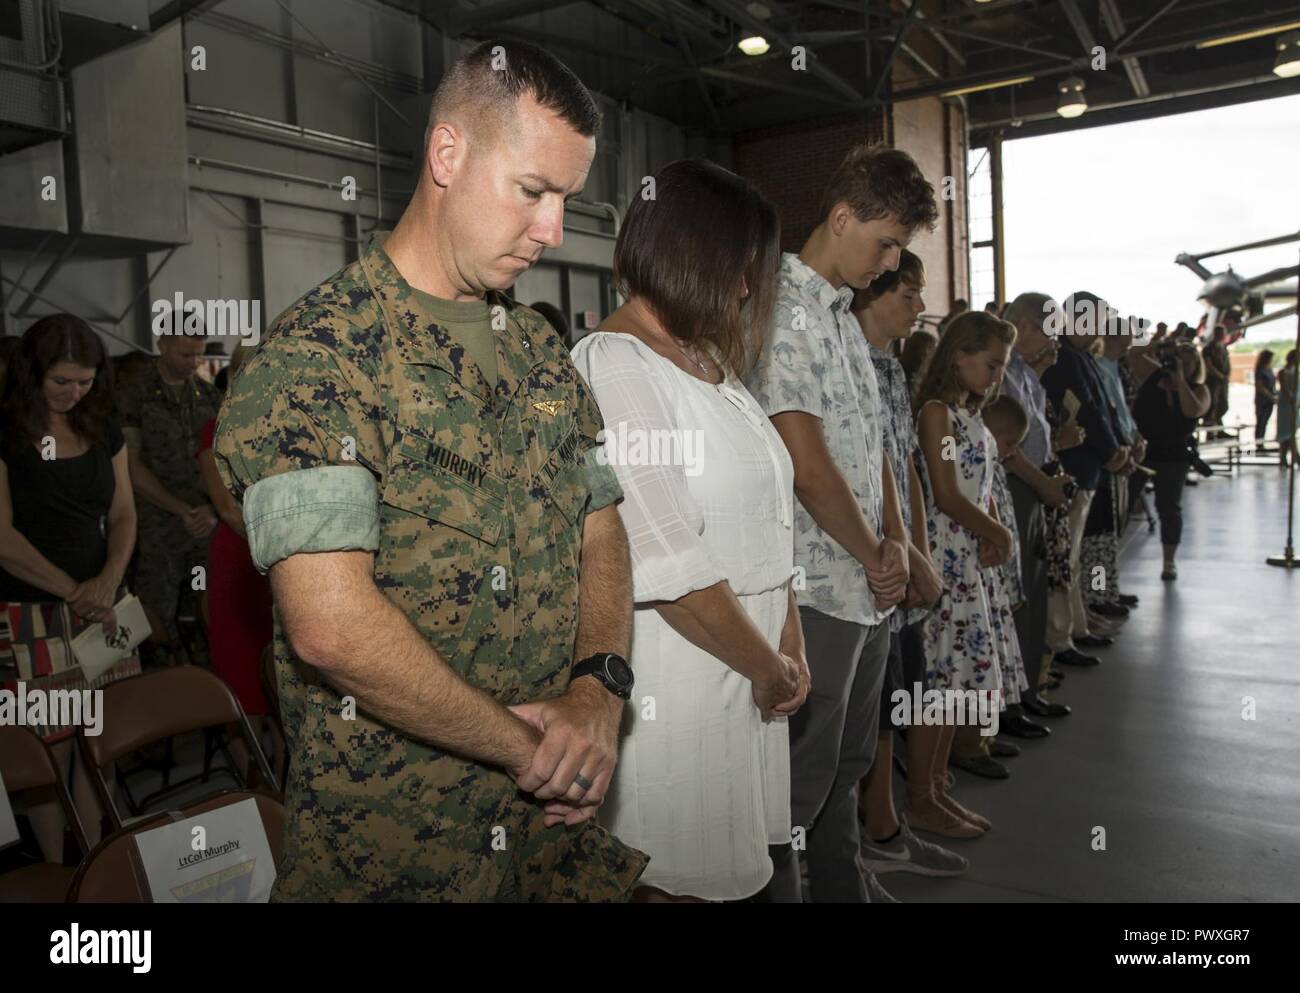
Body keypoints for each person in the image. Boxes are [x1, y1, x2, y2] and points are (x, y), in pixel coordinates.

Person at [215, 39, 648, 901]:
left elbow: (600, 532)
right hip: (399, 855)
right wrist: (537, 752)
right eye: (533, 192)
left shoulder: (538, 353)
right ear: (447, 154)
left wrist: (599, 689)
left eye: (566, 199)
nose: (554, 231)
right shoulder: (320, 359)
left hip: (546, 850)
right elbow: (330, 626)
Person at [569, 159, 807, 902]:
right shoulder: (614, 365)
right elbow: (666, 557)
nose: (744, 290)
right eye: (740, 269)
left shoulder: (709, 364)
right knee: (683, 881)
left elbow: (770, 522)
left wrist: (788, 645)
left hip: (747, 668)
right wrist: (768, 665)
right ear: (694, 255)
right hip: (685, 678)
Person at [745, 141, 938, 902]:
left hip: (863, 582)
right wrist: (874, 551)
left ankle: (842, 882)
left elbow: (876, 450)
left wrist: (896, 542)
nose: (891, 264)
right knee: (799, 779)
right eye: (885, 241)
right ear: (841, 215)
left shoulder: (845, 320)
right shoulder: (785, 310)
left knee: (850, 760)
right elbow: (805, 454)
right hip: (817, 587)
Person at [0, 314, 139, 855]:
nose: (73, 392)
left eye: (84, 381)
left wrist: (107, 581)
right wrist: (75, 591)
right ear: (33, 372)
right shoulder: (8, 432)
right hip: (32, 612)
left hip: (105, 608)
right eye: (62, 381)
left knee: (100, 744)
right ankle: (57, 872)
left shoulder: (101, 425)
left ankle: (99, 860)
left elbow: (125, 512)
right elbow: (3, 537)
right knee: (48, 752)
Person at [851, 251, 967, 877]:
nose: (920, 309)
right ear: (872, 295)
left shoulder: (892, 370)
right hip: (867, 560)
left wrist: (920, 551)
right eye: (909, 296)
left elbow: (906, 471)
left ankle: (886, 817)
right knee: (871, 706)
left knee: (900, 693)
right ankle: (871, 828)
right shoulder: (847, 363)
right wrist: (902, 554)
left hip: (900, 554)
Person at [912, 312, 1017, 832]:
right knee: (942, 680)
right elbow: (948, 493)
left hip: (968, 558)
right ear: (959, 355)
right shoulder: (937, 414)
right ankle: (921, 796)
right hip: (946, 555)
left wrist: (994, 524)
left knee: (958, 680)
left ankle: (935, 784)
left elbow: (983, 487)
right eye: (991, 363)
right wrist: (997, 533)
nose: (997, 375)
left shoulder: (967, 414)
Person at [116, 323, 220, 664]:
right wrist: (181, 509)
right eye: (184, 353)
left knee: (205, 608)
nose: (192, 362)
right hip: (155, 525)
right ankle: (160, 686)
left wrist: (210, 509)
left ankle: (208, 691)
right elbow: (132, 467)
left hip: (203, 526)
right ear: (162, 345)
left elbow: (223, 462)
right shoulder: (133, 394)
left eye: (198, 354)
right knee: (154, 615)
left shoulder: (209, 397)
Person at [1040, 292, 1130, 670]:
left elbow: (1109, 409)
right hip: (1078, 465)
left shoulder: (1087, 359)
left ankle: (1081, 619)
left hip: (1095, 465)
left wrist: (1122, 446)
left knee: (1085, 548)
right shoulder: (1066, 358)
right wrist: (1112, 450)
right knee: (1072, 552)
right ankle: (1065, 631)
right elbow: (1089, 412)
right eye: (1097, 320)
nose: (1103, 328)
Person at [196, 345, 274, 777]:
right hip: (239, 561)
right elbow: (226, 508)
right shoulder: (214, 429)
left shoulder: (285, 426)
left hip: (277, 562)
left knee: (285, 677)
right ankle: (246, 790)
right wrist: (278, 544)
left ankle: (282, 791)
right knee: (241, 676)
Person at [997, 292, 1074, 716]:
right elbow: (1007, 444)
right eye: (1047, 329)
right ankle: (1012, 700)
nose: (1051, 340)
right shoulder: (1003, 372)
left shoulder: (1026, 370)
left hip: (1036, 484)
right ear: (1025, 325)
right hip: (1016, 486)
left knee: (1036, 589)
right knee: (1018, 591)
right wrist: (1043, 482)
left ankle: (1029, 686)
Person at [1083, 327, 1147, 619]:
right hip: (1107, 458)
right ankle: (1097, 593)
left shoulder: (1113, 368)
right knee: (1098, 534)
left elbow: (1121, 412)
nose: (1129, 345)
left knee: (1111, 532)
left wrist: (1135, 437)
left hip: (1121, 451)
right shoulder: (1096, 367)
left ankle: (1107, 587)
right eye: (1125, 339)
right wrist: (1117, 448)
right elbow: (1102, 415)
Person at [1133, 343, 1210, 580]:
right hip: (1141, 452)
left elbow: (1191, 411)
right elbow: (1132, 354)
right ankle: (1103, 578)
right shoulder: (1153, 375)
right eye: (1179, 360)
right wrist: (1160, 345)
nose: (1183, 365)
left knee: (1168, 508)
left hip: (1174, 456)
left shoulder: (1199, 389)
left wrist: (1180, 380)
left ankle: (1169, 562)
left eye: (1189, 362)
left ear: (1196, 365)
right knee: (1121, 508)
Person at [1201, 326, 1231, 435]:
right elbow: (1208, 365)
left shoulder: (1223, 347)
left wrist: (1226, 376)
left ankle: (1219, 429)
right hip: (1213, 381)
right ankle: (1211, 431)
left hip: (1223, 381)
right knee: (1213, 404)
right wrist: (1220, 376)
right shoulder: (1209, 348)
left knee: (1223, 405)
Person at [1277, 349, 1298, 468]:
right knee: (1286, 433)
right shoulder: (1283, 372)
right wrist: (1291, 398)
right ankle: (1293, 457)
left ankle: (1285, 457)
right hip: (1286, 405)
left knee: (1291, 432)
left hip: (1293, 404)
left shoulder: (1295, 371)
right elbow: (1284, 388)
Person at [1254, 350, 1277, 446]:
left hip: (1269, 399)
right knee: (1261, 422)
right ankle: (1259, 443)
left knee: (1265, 422)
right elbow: (1260, 386)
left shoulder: (1269, 369)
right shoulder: (1260, 370)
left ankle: (1261, 442)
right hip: (1263, 400)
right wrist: (1270, 396)